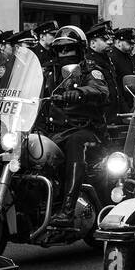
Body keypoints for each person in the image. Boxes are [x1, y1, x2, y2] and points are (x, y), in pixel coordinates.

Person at [47, 26, 109, 226]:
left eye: (69, 48)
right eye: (60, 49)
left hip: (86, 130)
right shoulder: (48, 71)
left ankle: (67, 208)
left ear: (80, 49)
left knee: (76, 142)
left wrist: (81, 92)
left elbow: (100, 89)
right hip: (54, 130)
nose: (64, 53)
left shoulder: (90, 70)